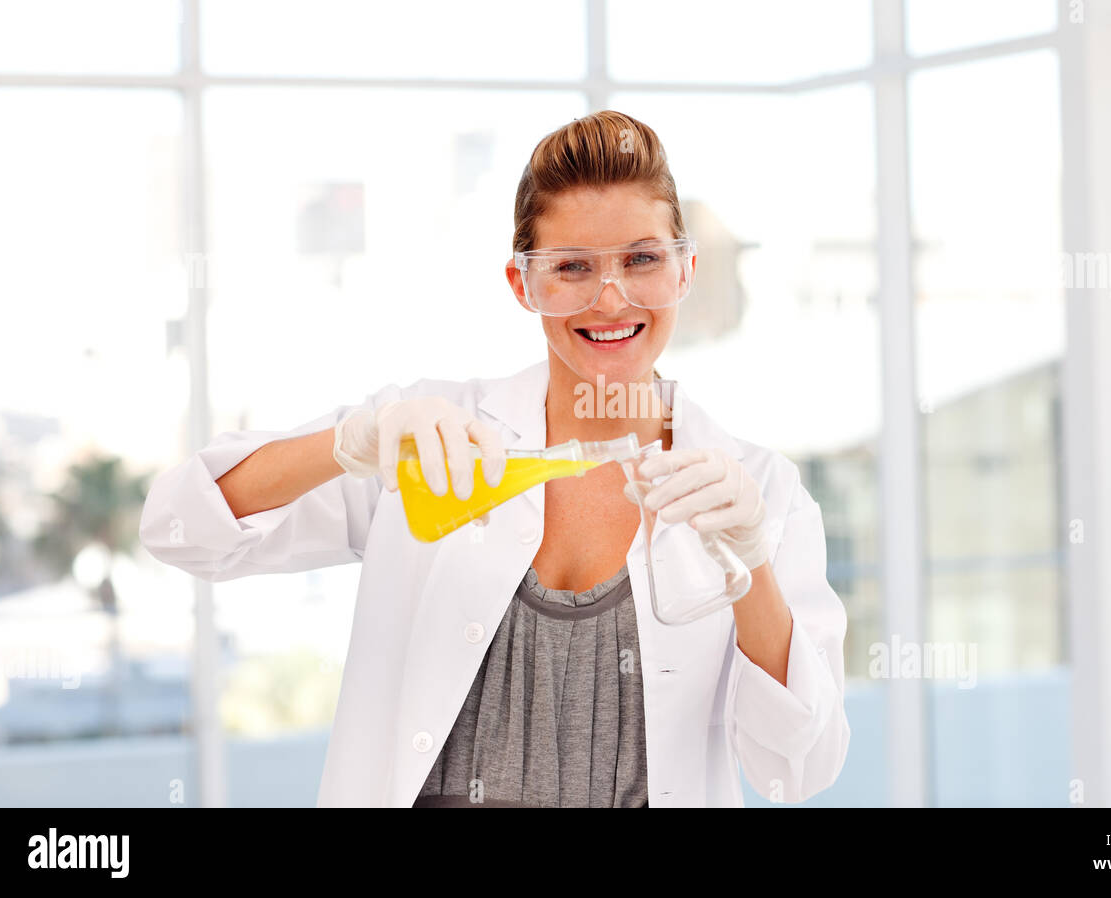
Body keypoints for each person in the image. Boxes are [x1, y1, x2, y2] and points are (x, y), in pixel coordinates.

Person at [140, 110, 849, 808]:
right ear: (523, 284)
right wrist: (345, 446)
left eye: (641, 259)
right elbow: (179, 529)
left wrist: (750, 563)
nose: (612, 298)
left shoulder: (758, 490)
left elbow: (800, 769)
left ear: (685, 268)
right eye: (571, 266)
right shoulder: (433, 440)